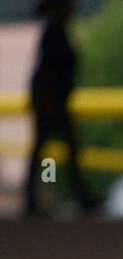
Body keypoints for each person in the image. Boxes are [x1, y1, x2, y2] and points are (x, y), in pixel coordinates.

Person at [25, 0, 90, 217]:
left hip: (50, 103)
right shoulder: (54, 34)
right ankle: (77, 197)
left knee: (45, 151)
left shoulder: (53, 33)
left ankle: (34, 200)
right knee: (53, 151)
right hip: (51, 104)